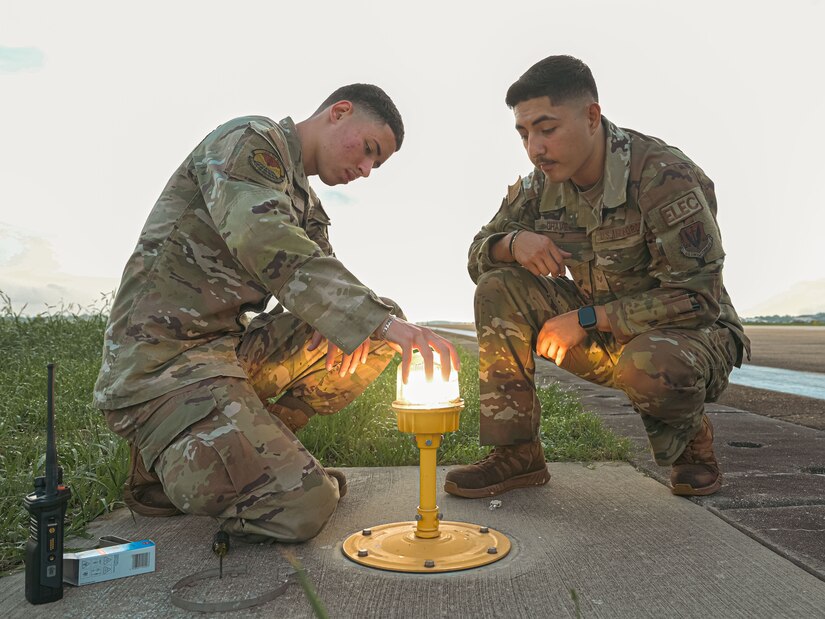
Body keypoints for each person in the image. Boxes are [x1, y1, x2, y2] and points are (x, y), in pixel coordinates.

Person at [94, 83, 459, 543]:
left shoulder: (307, 205)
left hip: (225, 352)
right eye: (368, 150)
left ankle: (248, 444)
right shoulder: (251, 142)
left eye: (376, 165)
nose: (366, 170)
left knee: (371, 332)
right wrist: (374, 321)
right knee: (306, 506)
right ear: (339, 112)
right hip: (162, 367)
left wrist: (373, 324)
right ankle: (179, 458)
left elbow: (324, 288)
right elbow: (262, 239)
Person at [445, 56, 750, 500]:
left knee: (650, 363)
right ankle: (517, 454)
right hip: (602, 330)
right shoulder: (539, 187)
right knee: (498, 288)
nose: (534, 148)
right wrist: (511, 244)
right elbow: (477, 258)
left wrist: (588, 318)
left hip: (689, 337)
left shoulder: (662, 175)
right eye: (524, 133)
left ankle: (691, 445)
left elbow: (698, 298)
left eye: (547, 129)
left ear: (592, 117)